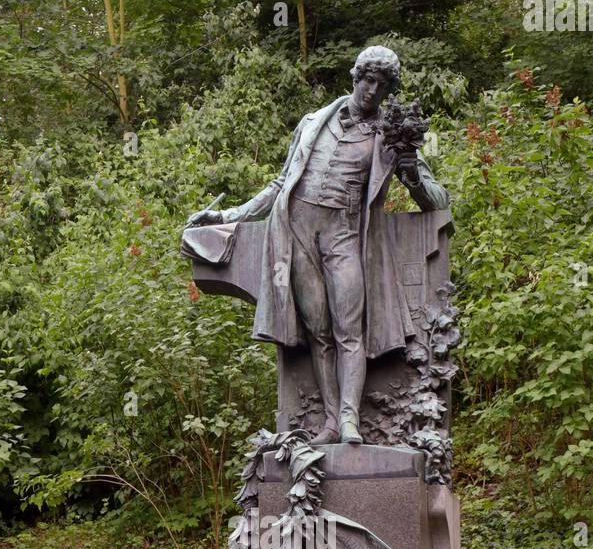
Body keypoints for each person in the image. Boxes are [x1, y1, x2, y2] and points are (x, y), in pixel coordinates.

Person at [185, 45, 450, 444]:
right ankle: (329, 421)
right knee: (318, 330)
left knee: (349, 328)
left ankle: (349, 421)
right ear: (355, 76)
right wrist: (227, 216)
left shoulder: (390, 133)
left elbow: (438, 200)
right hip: (297, 231)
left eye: (381, 84)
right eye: (367, 79)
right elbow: (280, 185)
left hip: (344, 235)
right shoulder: (313, 122)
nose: (371, 90)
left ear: (389, 90)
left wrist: (411, 174)